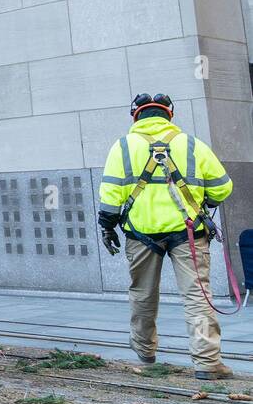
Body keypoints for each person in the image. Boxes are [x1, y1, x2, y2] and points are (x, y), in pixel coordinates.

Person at [99, 92, 235, 380]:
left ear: (135, 115)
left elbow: (110, 194)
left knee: (143, 294)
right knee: (197, 297)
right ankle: (208, 363)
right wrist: (205, 202)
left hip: (140, 234)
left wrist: (107, 225)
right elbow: (223, 187)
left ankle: (145, 350)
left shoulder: (122, 147)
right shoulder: (192, 144)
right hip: (188, 233)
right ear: (169, 114)